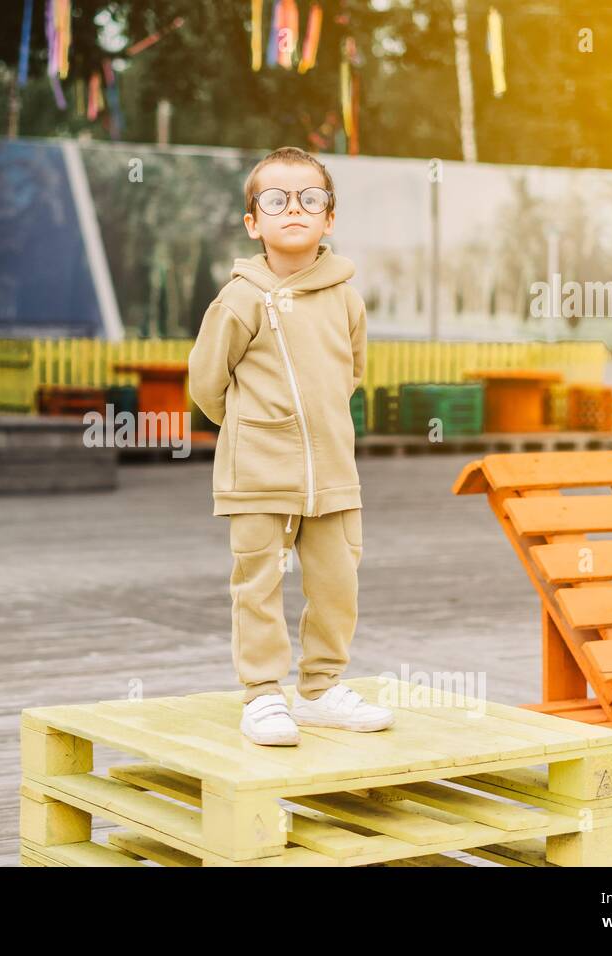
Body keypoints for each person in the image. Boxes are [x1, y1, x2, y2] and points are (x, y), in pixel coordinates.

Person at [188, 146, 394, 746]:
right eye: (275, 200)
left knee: (337, 583)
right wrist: (255, 429)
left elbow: (349, 373)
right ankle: (261, 696)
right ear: (254, 222)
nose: (293, 209)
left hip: (332, 474)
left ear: (329, 218)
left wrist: (315, 431)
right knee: (258, 584)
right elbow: (207, 382)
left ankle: (323, 689)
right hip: (256, 476)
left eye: (310, 198)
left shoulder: (345, 297)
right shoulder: (240, 298)